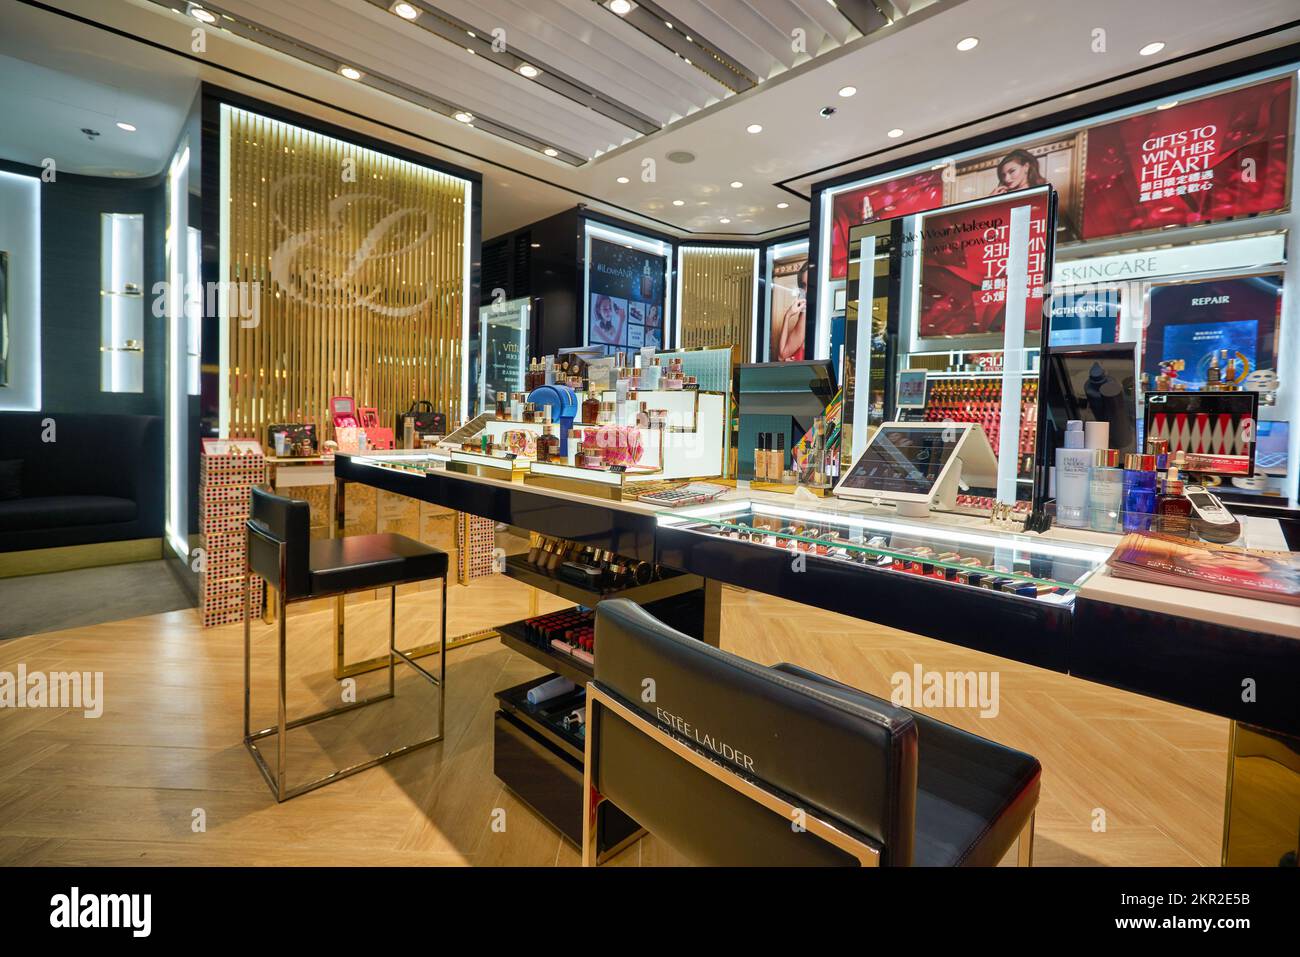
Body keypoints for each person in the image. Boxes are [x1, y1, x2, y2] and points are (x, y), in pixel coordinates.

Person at [773, 262, 808, 361]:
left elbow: (781, 356)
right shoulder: (805, 314)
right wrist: (787, 316)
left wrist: (788, 315)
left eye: (810, 285)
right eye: (804, 286)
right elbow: (781, 356)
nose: (806, 291)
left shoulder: (807, 315)